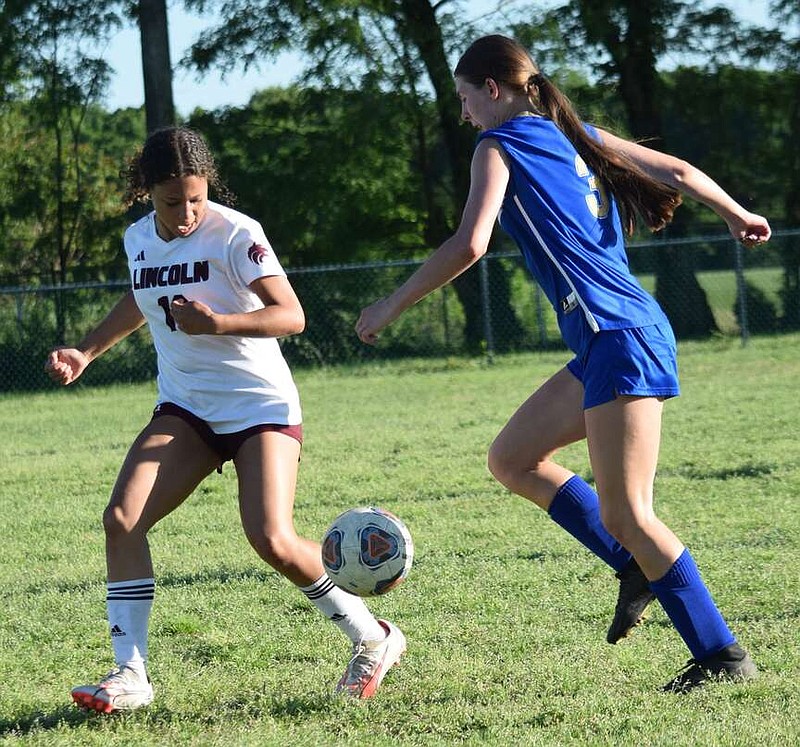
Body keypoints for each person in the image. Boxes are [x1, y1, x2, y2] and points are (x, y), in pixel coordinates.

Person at [356, 35, 771, 693]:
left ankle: (721, 655)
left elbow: (471, 242)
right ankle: (632, 564)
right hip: (609, 337)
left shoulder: (498, 146)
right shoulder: (577, 133)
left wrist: (392, 303)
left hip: (619, 336)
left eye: (465, 100)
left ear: (492, 90)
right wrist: (737, 212)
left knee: (630, 512)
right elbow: (680, 174)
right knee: (512, 459)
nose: (464, 116)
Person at [45, 126, 405, 712]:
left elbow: (291, 316)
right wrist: (86, 350)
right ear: (147, 193)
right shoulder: (138, 238)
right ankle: (130, 673)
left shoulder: (237, 233)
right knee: (122, 519)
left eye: (196, 197)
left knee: (271, 539)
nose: (186, 212)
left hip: (260, 406)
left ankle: (373, 636)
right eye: (171, 202)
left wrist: (219, 324)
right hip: (186, 408)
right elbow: (140, 300)